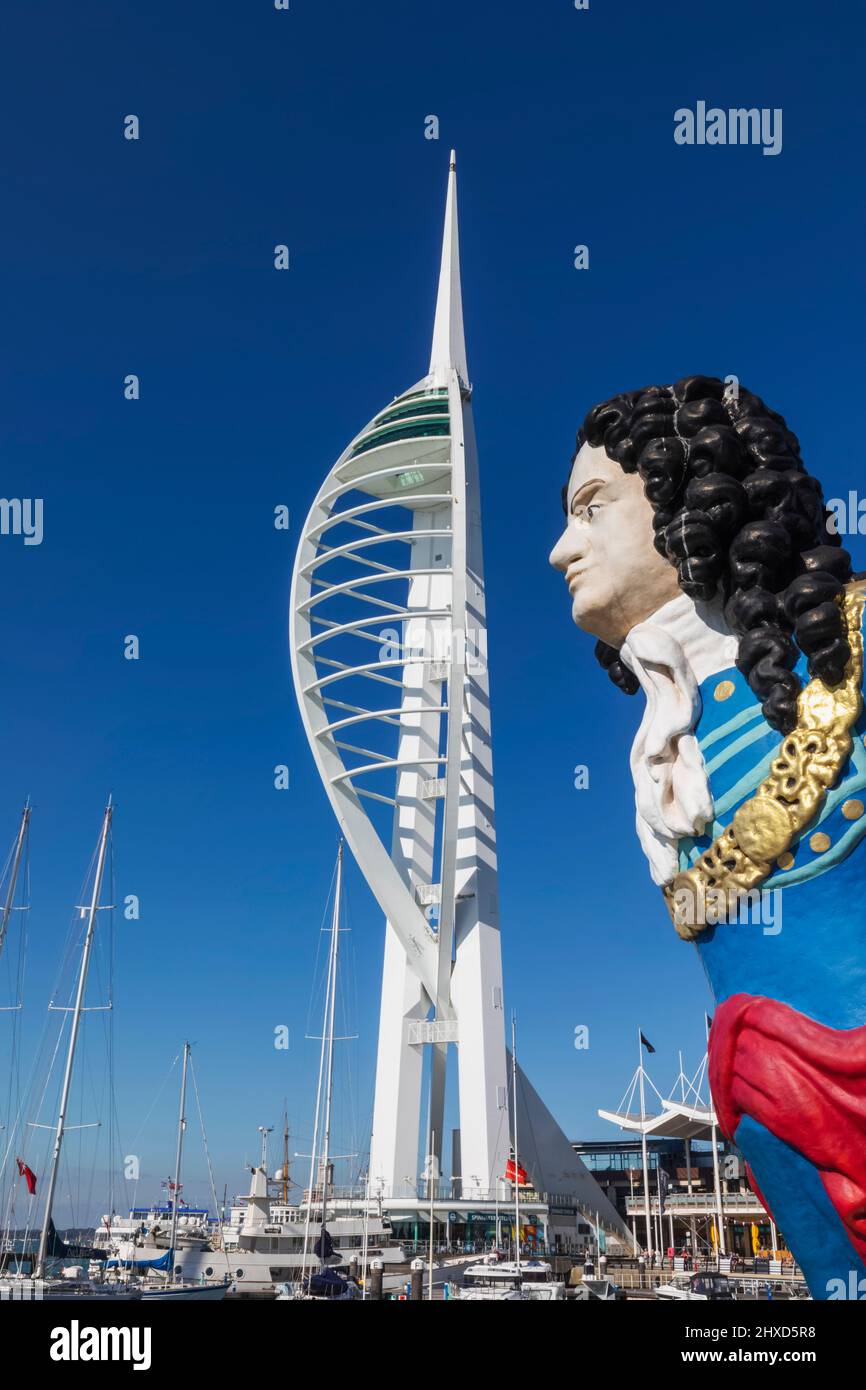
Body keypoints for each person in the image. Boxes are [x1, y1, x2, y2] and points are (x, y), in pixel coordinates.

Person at [550, 376, 866, 1299]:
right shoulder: (660, 754)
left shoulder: (849, 651)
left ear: (693, 488)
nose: (561, 547)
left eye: (590, 508)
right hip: (790, 1158)